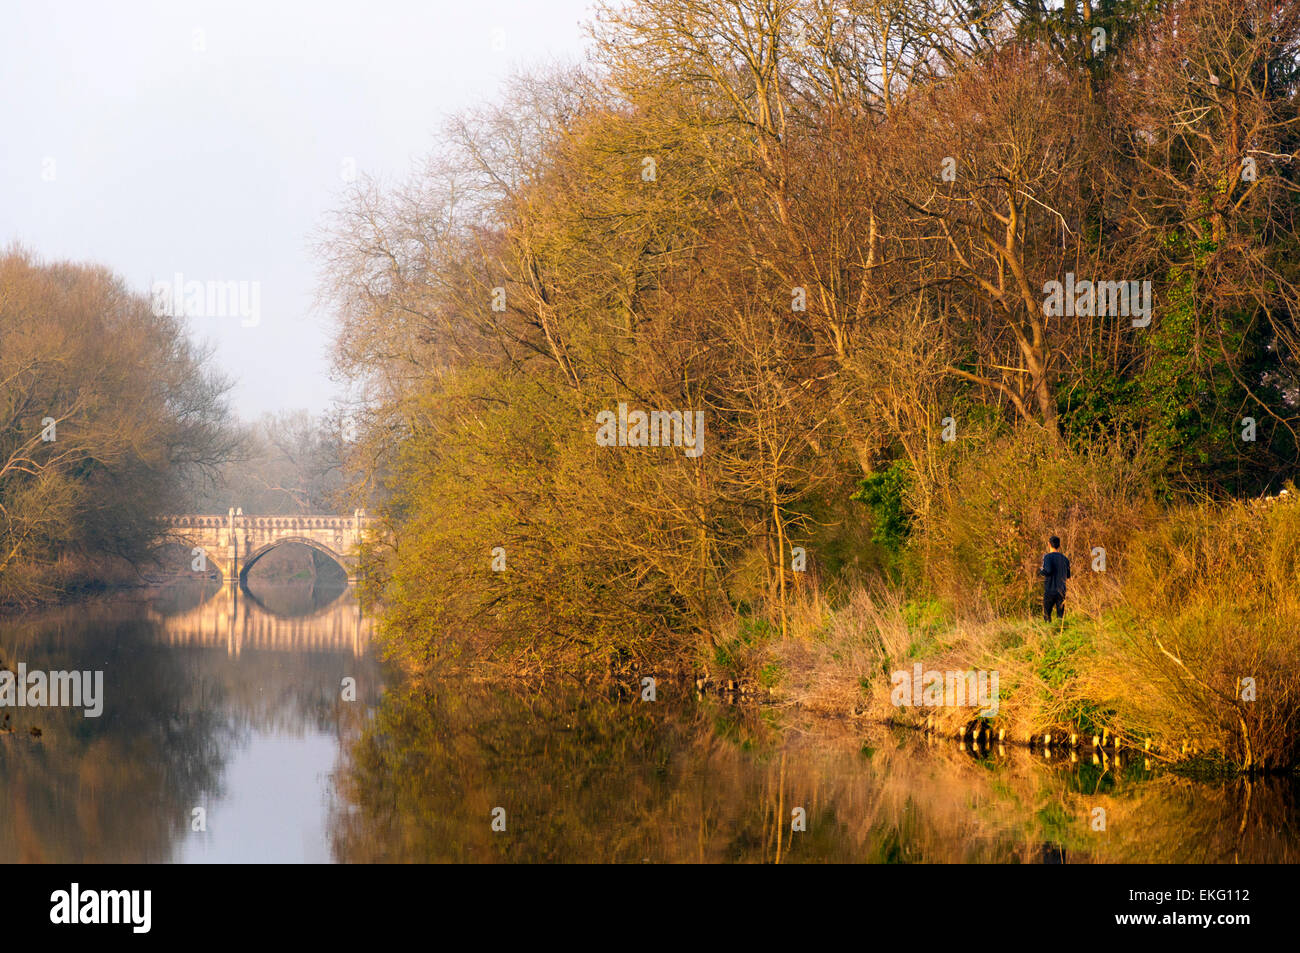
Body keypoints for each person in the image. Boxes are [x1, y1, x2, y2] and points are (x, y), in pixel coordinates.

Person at [1038, 535, 1070, 621]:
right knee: (1060, 616)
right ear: (1059, 545)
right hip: (1061, 591)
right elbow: (1068, 575)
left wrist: (1040, 570)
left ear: (1049, 544)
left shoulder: (1047, 557)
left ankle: (1049, 632)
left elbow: (1048, 571)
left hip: (1050, 590)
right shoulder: (1065, 559)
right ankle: (1060, 632)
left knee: (1047, 614)